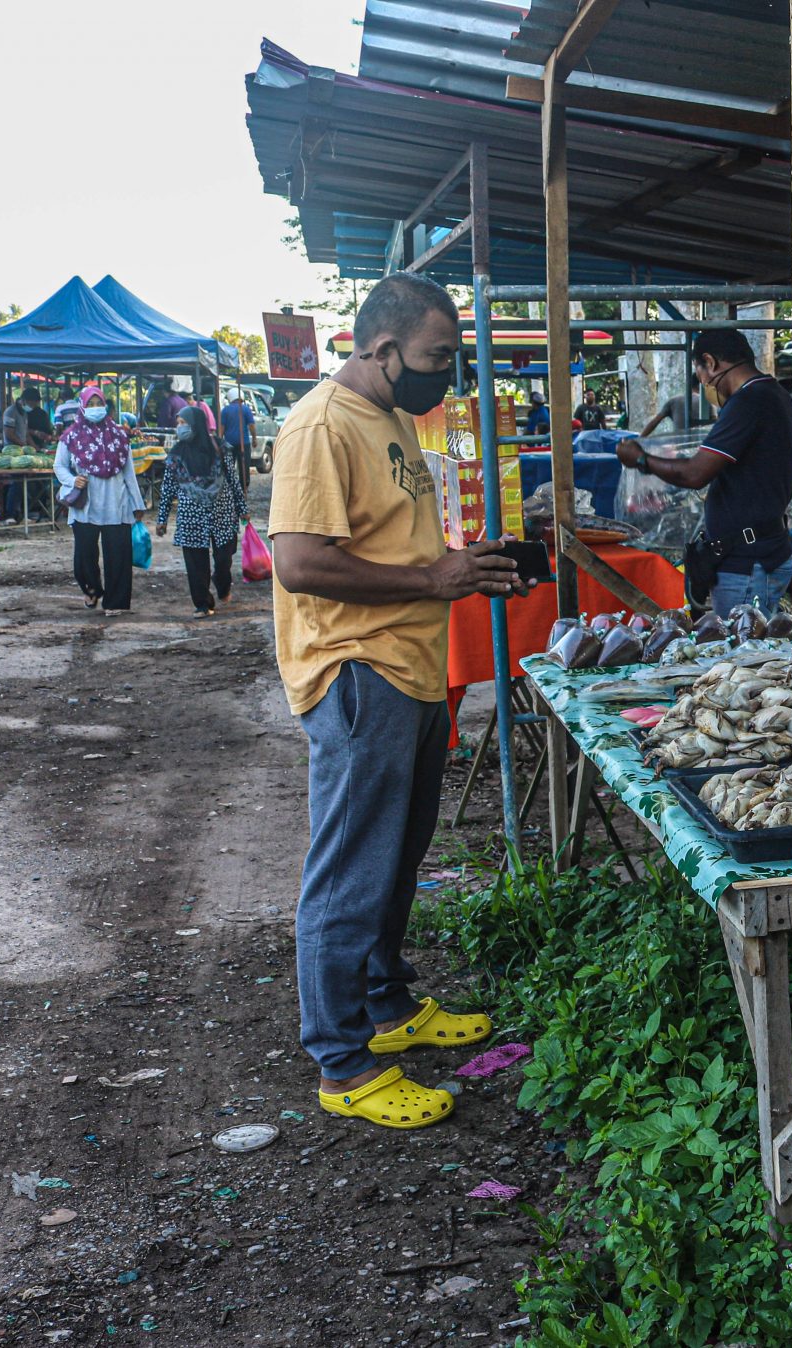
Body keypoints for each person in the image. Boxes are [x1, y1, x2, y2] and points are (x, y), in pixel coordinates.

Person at [266, 270, 526, 1131]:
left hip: (408, 667)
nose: (445, 374)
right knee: (349, 870)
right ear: (381, 351)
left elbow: (395, 541)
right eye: (435, 357)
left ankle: (385, 1008)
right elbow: (300, 561)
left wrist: (461, 562)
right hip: (355, 669)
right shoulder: (319, 426)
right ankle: (340, 1063)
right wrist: (430, 576)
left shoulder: (389, 417)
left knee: (395, 856)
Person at [615, 328, 792, 614]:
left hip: (749, 561)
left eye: (700, 374)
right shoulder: (774, 395)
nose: (704, 384)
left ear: (710, 363)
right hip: (758, 552)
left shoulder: (748, 402)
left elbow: (695, 474)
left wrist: (641, 460)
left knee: (743, 655)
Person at [54, 385, 147, 614]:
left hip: (117, 503)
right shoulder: (71, 436)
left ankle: (116, 603)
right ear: (83, 407)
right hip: (86, 504)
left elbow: (129, 473)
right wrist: (71, 480)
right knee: (84, 556)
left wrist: (137, 503)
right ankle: (92, 589)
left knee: (118, 555)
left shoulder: (118, 436)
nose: (96, 408)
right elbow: (59, 465)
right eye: (91, 404)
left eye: (99, 404)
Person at [155, 402, 250, 616]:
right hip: (191, 514)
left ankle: (222, 583)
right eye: (178, 423)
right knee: (195, 563)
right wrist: (162, 519)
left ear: (197, 424)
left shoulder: (220, 447)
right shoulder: (176, 454)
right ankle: (202, 603)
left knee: (224, 558)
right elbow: (168, 488)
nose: (180, 427)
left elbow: (233, 479)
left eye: (184, 423)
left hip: (222, 511)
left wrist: (242, 508)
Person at [0, 387, 51, 523]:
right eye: (32, 404)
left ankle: (20, 514)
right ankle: (10, 515)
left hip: (22, 453)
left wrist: (35, 448)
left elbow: (26, 433)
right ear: (25, 400)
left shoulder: (24, 413)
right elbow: (8, 432)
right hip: (12, 453)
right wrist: (23, 445)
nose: (33, 407)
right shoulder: (10, 412)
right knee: (16, 484)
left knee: (23, 484)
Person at [220, 387, 255, 492]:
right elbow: (251, 426)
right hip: (244, 442)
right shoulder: (245, 409)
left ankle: (229, 486)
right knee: (244, 466)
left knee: (229, 466)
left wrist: (219, 442)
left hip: (229, 443)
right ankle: (244, 486)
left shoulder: (225, 410)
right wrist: (254, 438)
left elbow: (222, 428)